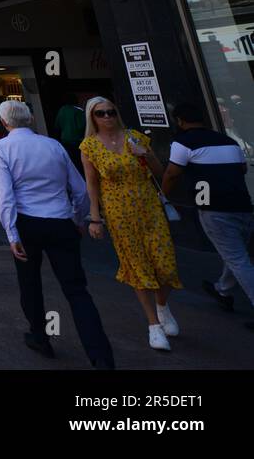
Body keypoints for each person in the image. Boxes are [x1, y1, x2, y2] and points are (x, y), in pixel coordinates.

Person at [0, 100, 114, 368]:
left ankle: (40, 336)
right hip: (61, 222)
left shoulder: (2, 147)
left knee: (30, 282)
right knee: (77, 290)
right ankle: (101, 356)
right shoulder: (53, 145)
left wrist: (11, 233)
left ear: (4, 123)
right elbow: (80, 190)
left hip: (28, 224)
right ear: (31, 119)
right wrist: (77, 217)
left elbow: (5, 196)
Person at [80, 97, 182, 351]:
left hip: (149, 207)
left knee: (166, 265)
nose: (107, 117)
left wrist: (146, 155)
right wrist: (95, 218)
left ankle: (162, 306)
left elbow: (159, 172)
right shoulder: (89, 146)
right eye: (100, 114)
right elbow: (92, 184)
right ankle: (153, 326)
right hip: (119, 212)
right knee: (137, 266)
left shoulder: (135, 137)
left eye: (110, 112)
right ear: (92, 119)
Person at [163, 102, 254, 327]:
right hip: (243, 205)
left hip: (214, 207)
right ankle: (222, 289)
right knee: (236, 254)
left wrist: (162, 196)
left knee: (238, 258)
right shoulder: (228, 141)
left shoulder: (183, 142)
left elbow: (172, 173)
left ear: (180, 121)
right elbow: (242, 169)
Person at [54, 93, 87, 172]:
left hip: (65, 141)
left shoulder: (62, 110)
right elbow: (83, 126)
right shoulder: (78, 111)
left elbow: (57, 125)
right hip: (78, 141)